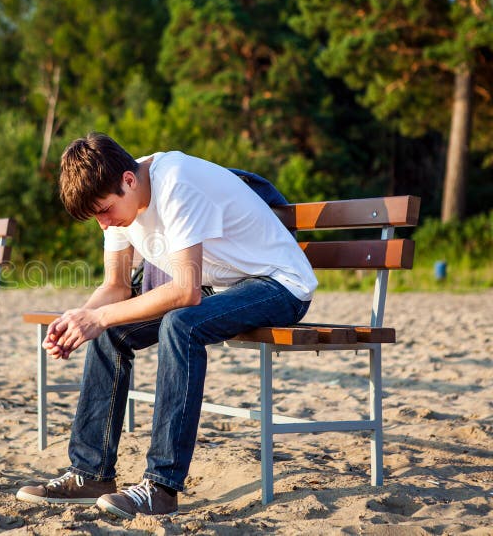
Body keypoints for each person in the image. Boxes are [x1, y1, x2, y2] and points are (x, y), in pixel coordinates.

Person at [16, 133, 317, 518]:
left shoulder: (176, 182)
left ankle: (160, 487)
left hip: (279, 285)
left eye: (105, 211)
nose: (104, 223)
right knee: (109, 332)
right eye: (96, 217)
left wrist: (98, 317)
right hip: (223, 288)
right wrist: (78, 318)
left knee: (180, 325)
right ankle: (90, 473)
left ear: (128, 180)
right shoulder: (119, 196)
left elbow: (186, 292)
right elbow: (116, 287)